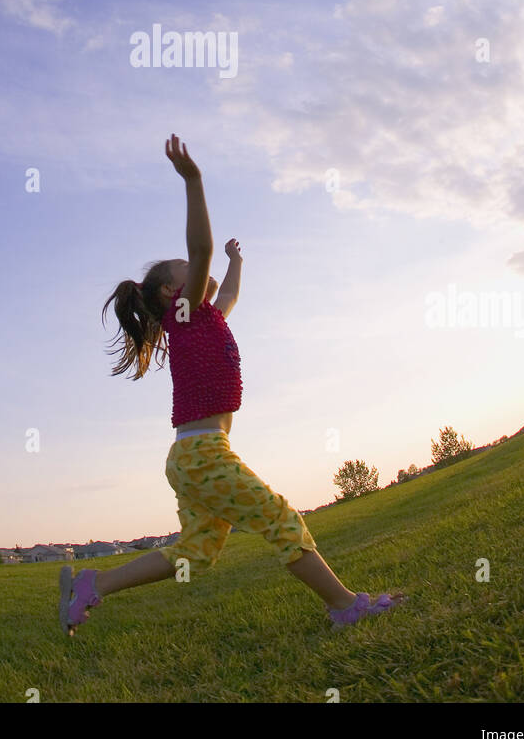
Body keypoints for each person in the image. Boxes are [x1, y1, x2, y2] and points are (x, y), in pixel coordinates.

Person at [59, 133, 407, 636]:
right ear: (170, 290)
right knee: (281, 520)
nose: (198, 270)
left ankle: (93, 585)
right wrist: (194, 181)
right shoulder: (184, 311)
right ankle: (344, 606)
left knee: (194, 554)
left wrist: (236, 263)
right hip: (202, 455)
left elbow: (232, 295)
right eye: (187, 271)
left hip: (193, 455)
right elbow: (198, 247)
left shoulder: (204, 318)